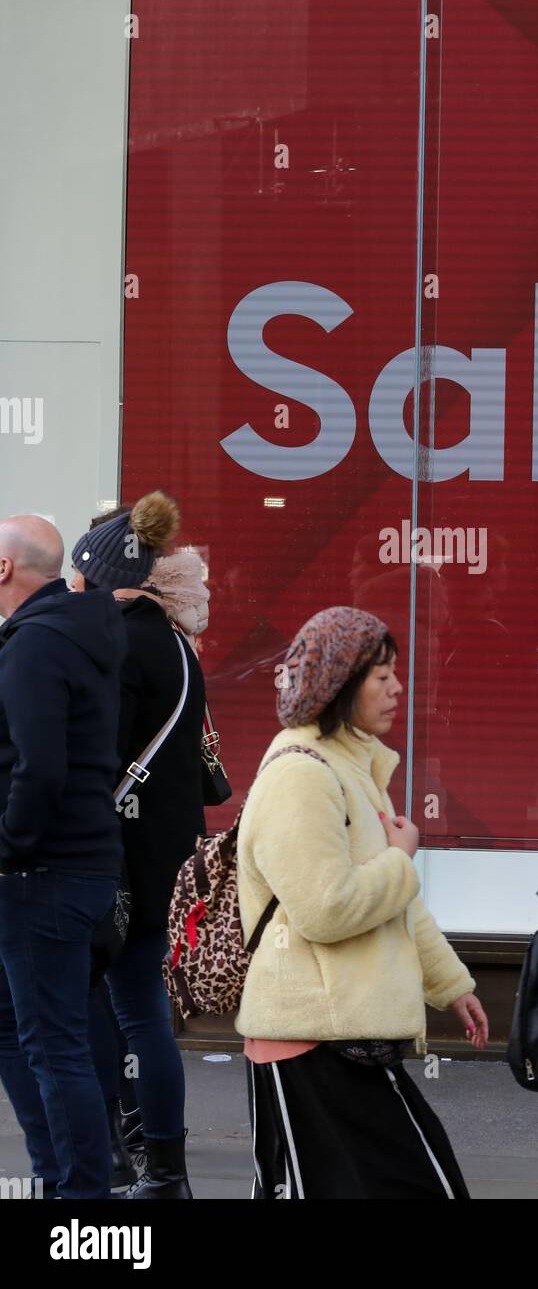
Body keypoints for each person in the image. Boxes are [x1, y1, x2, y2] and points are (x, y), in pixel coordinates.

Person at [236, 605, 489, 1199]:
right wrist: (400, 859)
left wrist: (451, 984)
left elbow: (396, 902)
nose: (397, 687)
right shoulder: (300, 775)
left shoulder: (352, 766)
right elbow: (326, 909)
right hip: (308, 1041)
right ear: (341, 683)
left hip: (349, 1035)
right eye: (381, 676)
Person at [70, 492, 206, 1199]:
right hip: (168, 856)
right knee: (145, 1010)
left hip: (122, 860)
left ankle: (151, 1168)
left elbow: (100, 754)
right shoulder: (174, 639)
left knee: (131, 1015)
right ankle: (160, 1167)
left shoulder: (120, 641)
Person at [0, 515, 126, 1199]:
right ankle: (63, 1182)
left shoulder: (35, 646)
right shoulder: (79, 636)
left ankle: (79, 1204)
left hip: (41, 877)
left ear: (4, 570)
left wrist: (9, 846)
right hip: (68, 870)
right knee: (29, 1034)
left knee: (54, 1045)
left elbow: (39, 769)